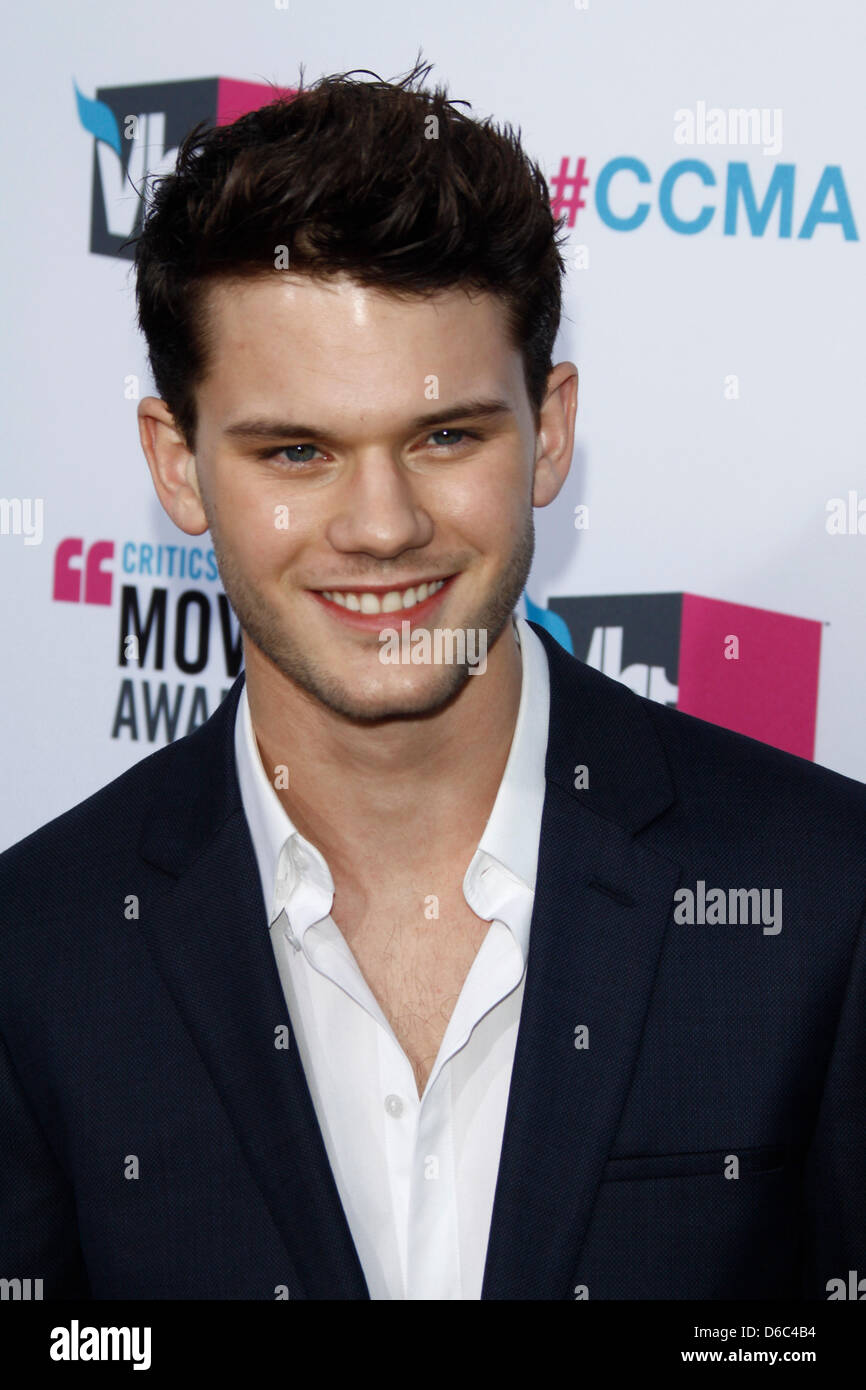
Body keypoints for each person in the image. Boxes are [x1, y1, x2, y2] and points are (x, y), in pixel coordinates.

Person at [1, 58, 864, 1302]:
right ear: (177, 466)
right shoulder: (38, 954)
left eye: (444, 435)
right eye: (295, 450)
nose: (381, 525)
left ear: (548, 430)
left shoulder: (819, 898)